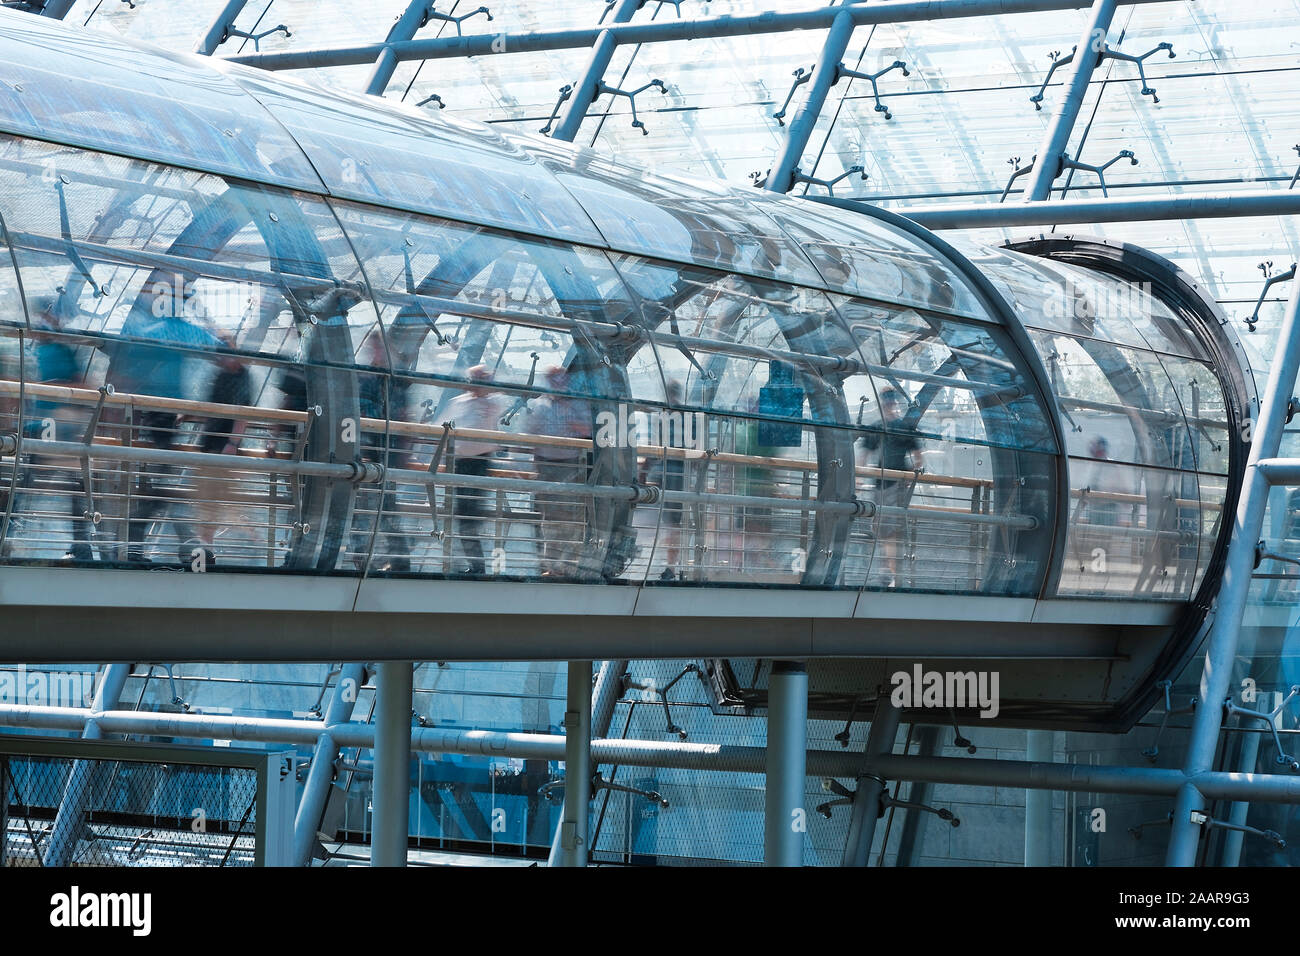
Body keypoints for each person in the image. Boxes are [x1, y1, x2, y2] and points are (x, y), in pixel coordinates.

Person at [185, 337, 251, 568]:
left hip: (222, 448)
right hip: (212, 445)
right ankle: (205, 550)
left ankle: (208, 550)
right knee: (207, 497)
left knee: (213, 497)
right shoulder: (223, 375)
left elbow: (243, 412)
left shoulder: (241, 376)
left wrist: (232, 443)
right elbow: (212, 408)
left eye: (223, 355)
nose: (219, 360)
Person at [526, 366, 592, 578]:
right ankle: (552, 566)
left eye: (561, 379)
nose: (558, 383)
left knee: (571, 517)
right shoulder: (540, 404)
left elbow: (588, 430)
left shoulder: (578, 404)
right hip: (546, 464)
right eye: (554, 379)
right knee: (549, 517)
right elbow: (529, 433)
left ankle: (569, 566)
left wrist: (569, 417)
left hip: (571, 465)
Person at [441, 365, 508, 575]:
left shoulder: (492, 403)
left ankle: (475, 565)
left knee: (470, 516)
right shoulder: (458, 403)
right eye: (479, 379)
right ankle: (466, 563)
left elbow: (487, 428)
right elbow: (442, 429)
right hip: (459, 463)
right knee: (463, 515)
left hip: (478, 462)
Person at [858, 387, 923, 588]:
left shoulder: (881, 427)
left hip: (884, 484)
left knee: (885, 530)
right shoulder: (903, 427)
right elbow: (919, 460)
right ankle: (890, 574)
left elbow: (863, 458)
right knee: (888, 530)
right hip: (893, 484)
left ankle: (888, 573)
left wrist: (859, 481)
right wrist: (908, 473)